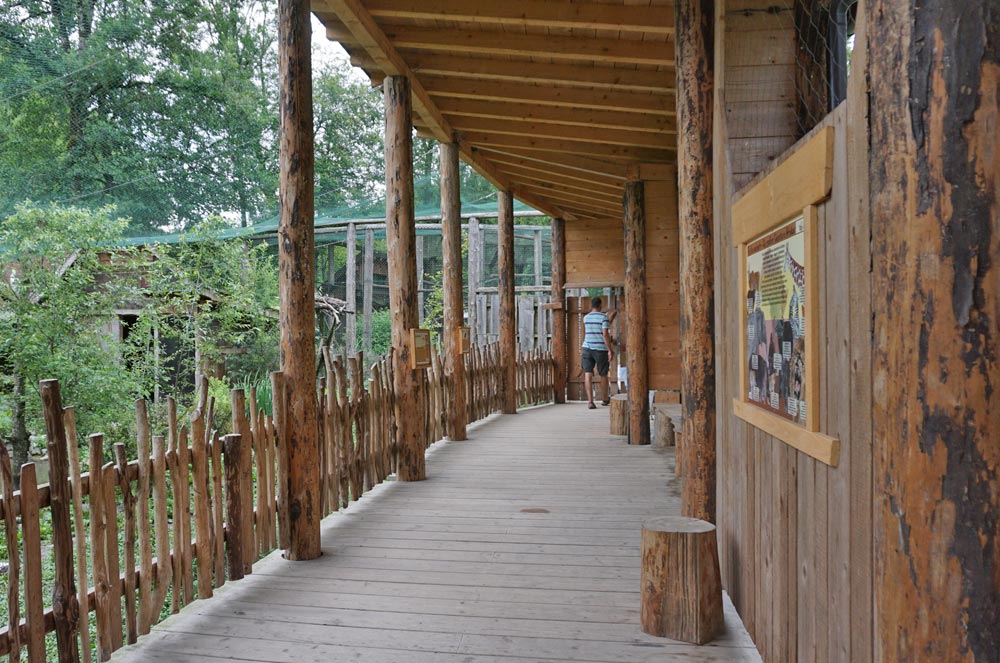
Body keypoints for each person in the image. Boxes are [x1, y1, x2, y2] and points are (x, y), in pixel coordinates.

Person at [581, 296, 616, 409]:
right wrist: (610, 350)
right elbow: (605, 334)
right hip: (600, 349)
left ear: (592, 305)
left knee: (588, 374)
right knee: (603, 374)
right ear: (600, 305)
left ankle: (590, 402)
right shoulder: (603, 318)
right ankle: (605, 399)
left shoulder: (586, 318)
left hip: (587, 347)